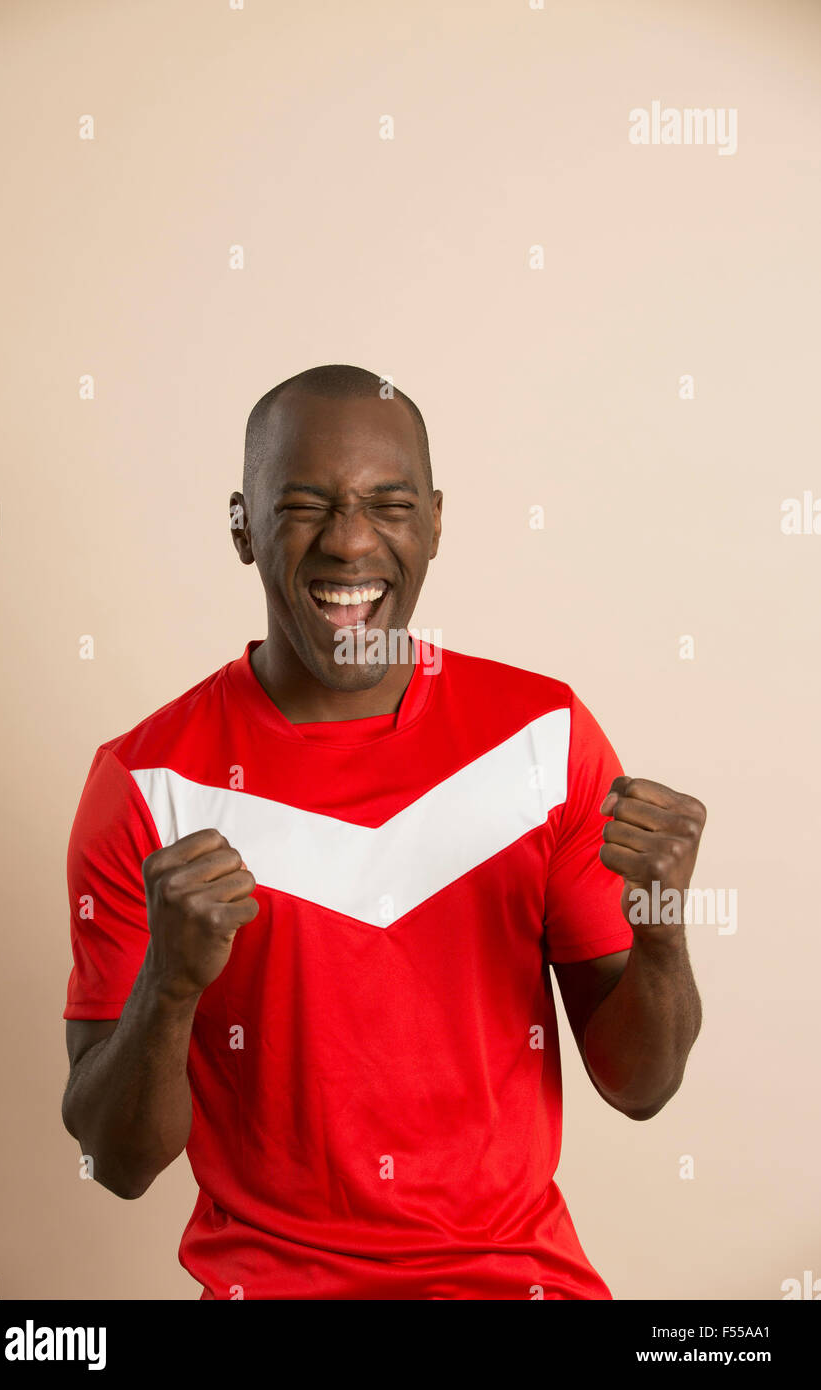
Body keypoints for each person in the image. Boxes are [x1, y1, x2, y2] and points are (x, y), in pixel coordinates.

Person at [61, 364, 705, 1301]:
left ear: (436, 521)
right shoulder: (146, 783)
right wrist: (168, 985)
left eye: (388, 503)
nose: (352, 540)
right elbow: (115, 1160)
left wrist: (660, 924)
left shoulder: (545, 738)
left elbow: (640, 1087)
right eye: (306, 505)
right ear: (242, 528)